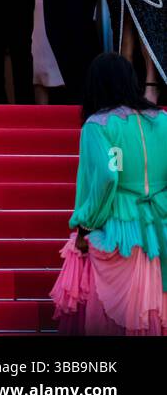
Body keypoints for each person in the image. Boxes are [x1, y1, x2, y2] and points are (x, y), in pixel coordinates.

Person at [50, 53, 166, 335]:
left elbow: (107, 176)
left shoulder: (97, 125)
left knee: (111, 319)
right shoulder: (162, 119)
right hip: (160, 225)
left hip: (118, 225)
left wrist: (86, 223)